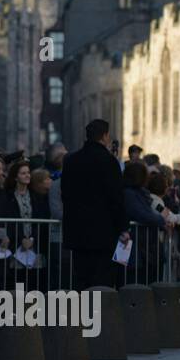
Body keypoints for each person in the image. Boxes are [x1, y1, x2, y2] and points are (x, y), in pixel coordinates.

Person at [59, 120, 131, 289]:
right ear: (105, 136)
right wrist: (123, 227)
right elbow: (116, 198)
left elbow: (66, 193)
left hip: (77, 231)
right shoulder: (109, 161)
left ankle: (81, 315)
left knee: (81, 281)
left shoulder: (71, 160)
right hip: (103, 233)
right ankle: (98, 315)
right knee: (101, 283)